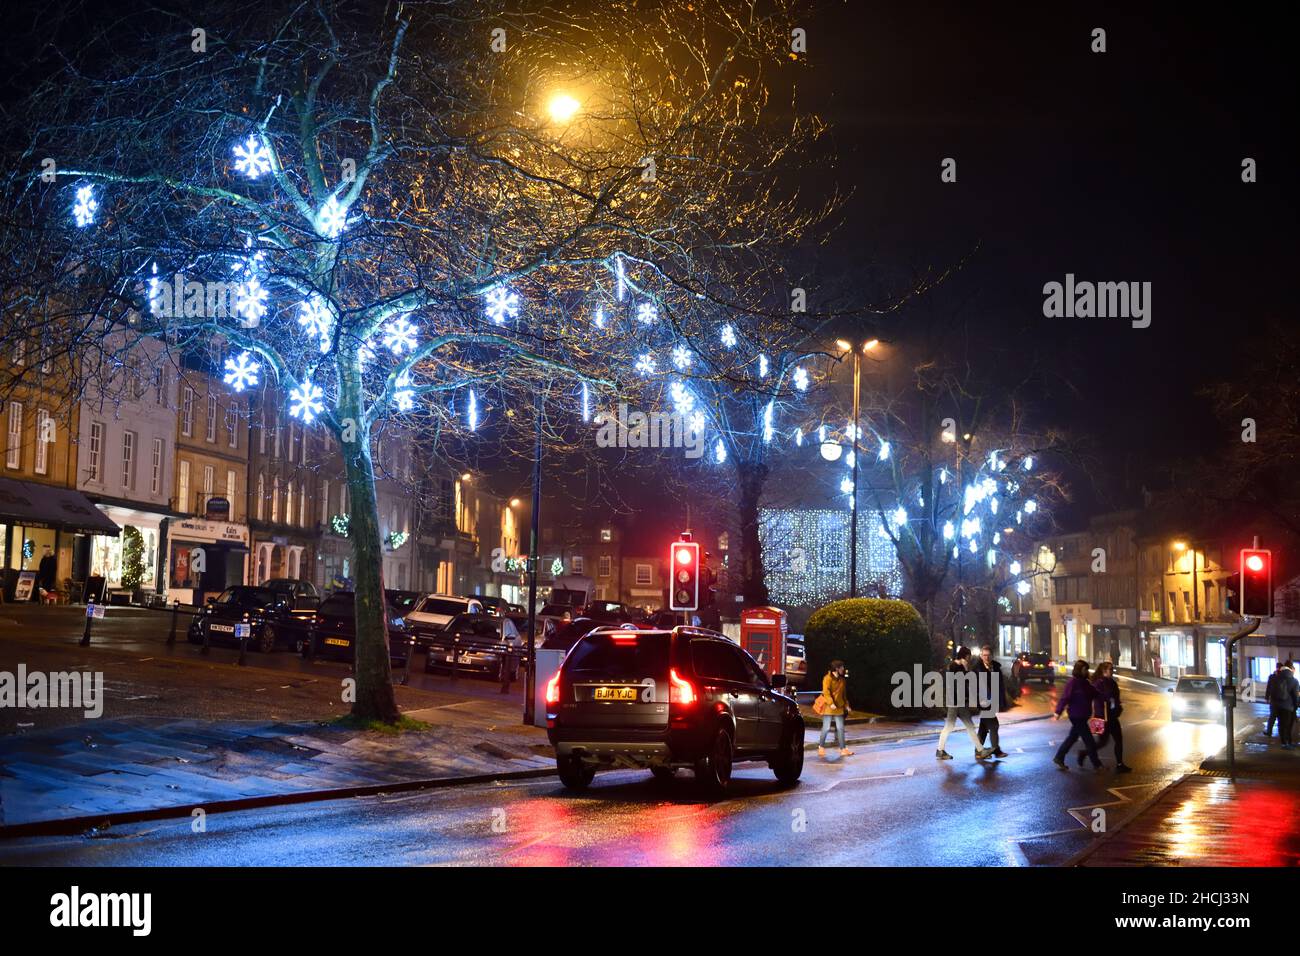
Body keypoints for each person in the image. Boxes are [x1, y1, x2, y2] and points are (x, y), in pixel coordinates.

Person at [938, 646, 992, 761]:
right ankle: (940, 750)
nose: (970, 658)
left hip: (956, 701)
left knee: (962, 726)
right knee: (957, 726)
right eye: (969, 655)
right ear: (965, 655)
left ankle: (979, 749)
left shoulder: (955, 665)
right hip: (957, 702)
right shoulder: (959, 665)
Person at [1079, 660, 1131, 772]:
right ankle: (1084, 753)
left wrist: (1118, 706)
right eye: (1110, 669)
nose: (1112, 671)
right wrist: (1108, 699)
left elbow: (1115, 697)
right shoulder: (1098, 683)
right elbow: (1098, 697)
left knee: (1118, 740)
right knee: (1101, 742)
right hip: (1100, 717)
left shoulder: (1112, 682)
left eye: (1113, 669)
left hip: (1112, 717)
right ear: (1104, 671)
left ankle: (1120, 764)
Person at [1053, 659, 1102, 770]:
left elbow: (1095, 693)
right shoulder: (1073, 682)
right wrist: (1058, 711)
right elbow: (1065, 697)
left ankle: (1059, 757)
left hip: (1083, 716)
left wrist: (1103, 695)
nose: (1087, 672)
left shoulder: (1085, 683)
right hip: (1076, 716)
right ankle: (1097, 765)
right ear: (1080, 670)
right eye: (1085, 670)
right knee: (1089, 741)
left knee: (1072, 737)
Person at [972, 644, 1008, 758]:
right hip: (983, 702)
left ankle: (978, 751)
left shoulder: (996, 667)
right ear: (981, 656)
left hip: (993, 701)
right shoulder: (977, 669)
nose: (986, 657)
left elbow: (1000, 686)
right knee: (994, 725)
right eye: (984, 655)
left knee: (983, 728)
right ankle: (996, 750)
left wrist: (1002, 702)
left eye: (988, 655)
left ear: (992, 656)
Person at [818, 660, 854, 759]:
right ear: (836, 668)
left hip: (839, 707)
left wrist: (847, 705)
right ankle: (821, 747)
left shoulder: (842, 680)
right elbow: (826, 692)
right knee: (826, 728)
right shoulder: (827, 678)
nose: (843, 669)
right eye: (841, 667)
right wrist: (831, 703)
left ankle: (843, 749)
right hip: (829, 708)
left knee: (840, 728)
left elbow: (844, 695)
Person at [1272, 662, 1299, 750]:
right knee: (1288, 725)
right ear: (1292, 670)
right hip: (1289, 707)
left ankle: (1284, 743)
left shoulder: (1277, 678)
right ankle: (1288, 743)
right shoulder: (1294, 681)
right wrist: (1296, 705)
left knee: (1281, 724)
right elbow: (1295, 696)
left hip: (1278, 705)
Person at [1263, 662, 1283, 738]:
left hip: (1274, 700)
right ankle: (1279, 733)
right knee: (1278, 717)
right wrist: (1267, 697)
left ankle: (1269, 732)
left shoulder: (1272, 677)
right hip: (1279, 700)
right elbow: (1269, 687)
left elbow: (1268, 688)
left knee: (1273, 717)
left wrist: (1267, 697)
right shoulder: (1279, 676)